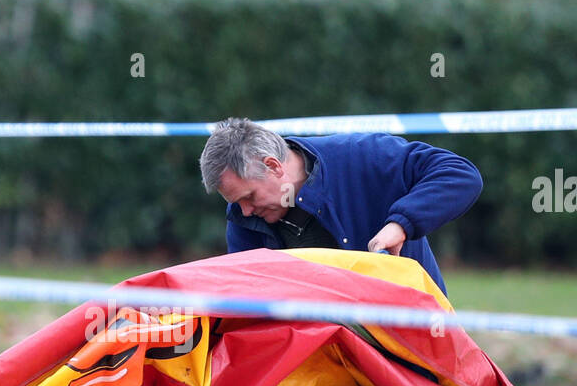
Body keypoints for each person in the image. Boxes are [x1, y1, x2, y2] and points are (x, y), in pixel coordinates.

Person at [198, 117, 482, 293]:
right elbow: (246, 302)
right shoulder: (243, 218)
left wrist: (401, 224)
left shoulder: (363, 156)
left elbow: (460, 174)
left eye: (249, 197)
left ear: (273, 166)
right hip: (319, 369)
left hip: (414, 349)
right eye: (237, 202)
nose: (245, 210)